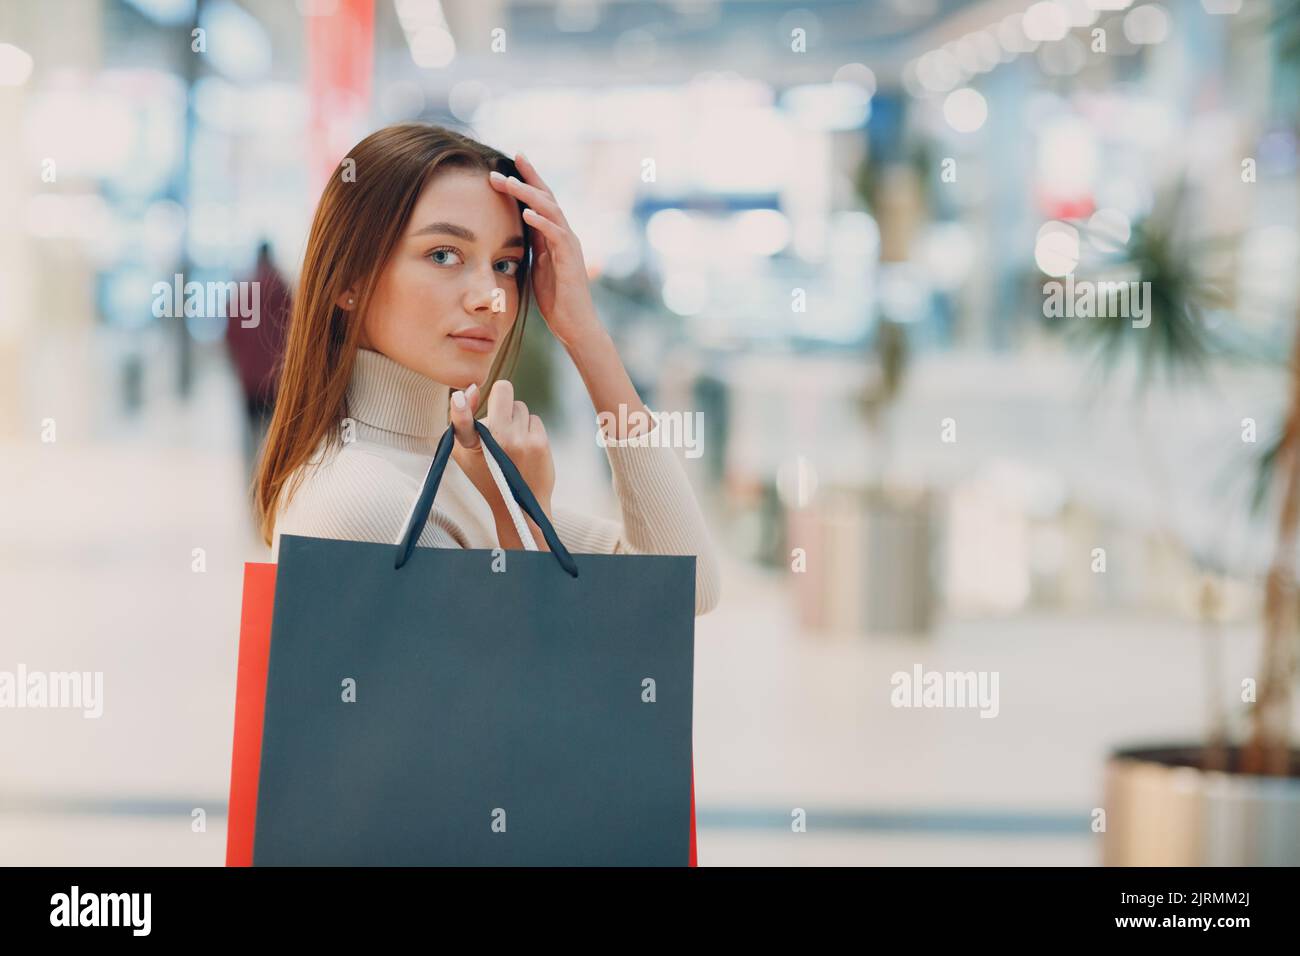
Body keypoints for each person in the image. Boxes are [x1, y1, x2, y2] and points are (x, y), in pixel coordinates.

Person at [253, 123, 720, 615]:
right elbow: (514, 679)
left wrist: (583, 332)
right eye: (443, 255)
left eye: (506, 265)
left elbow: (683, 587)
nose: (492, 297)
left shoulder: (450, 470)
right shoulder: (365, 499)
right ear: (349, 279)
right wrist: (522, 521)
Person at [227, 240, 291, 476]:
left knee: (251, 435)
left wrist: (239, 362)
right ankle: (272, 476)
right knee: (275, 432)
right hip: (277, 377)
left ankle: (254, 480)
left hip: (250, 379)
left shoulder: (244, 291)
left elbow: (231, 333)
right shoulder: (284, 290)